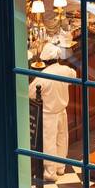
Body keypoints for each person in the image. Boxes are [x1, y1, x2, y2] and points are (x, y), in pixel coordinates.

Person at [30, 44, 76, 180]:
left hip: (48, 113)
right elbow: (73, 76)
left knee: (49, 143)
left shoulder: (43, 77)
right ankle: (61, 167)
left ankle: (50, 173)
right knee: (62, 138)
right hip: (62, 110)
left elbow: (31, 93)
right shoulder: (66, 70)